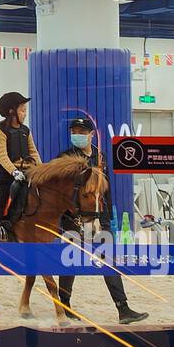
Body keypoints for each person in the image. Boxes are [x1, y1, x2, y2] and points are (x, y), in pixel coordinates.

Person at [56, 117, 148, 324]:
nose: (77, 135)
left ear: (91, 134)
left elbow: (105, 189)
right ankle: (65, 304)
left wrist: (108, 219)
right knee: (70, 263)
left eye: (81, 131)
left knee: (109, 261)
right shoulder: (66, 157)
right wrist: (66, 218)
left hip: (100, 218)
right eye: (74, 131)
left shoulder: (100, 156)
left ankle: (122, 308)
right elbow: (60, 191)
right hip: (75, 220)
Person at [0, 92, 42, 241]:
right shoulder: (0, 131)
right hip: (6, 172)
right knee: (8, 191)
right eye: (22, 110)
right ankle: (1, 222)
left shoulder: (26, 130)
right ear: (11, 111)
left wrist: (41, 169)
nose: (25, 114)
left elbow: (33, 151)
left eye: (25, 110)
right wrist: (14, 171)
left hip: (26, 170)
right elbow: (2, 155)